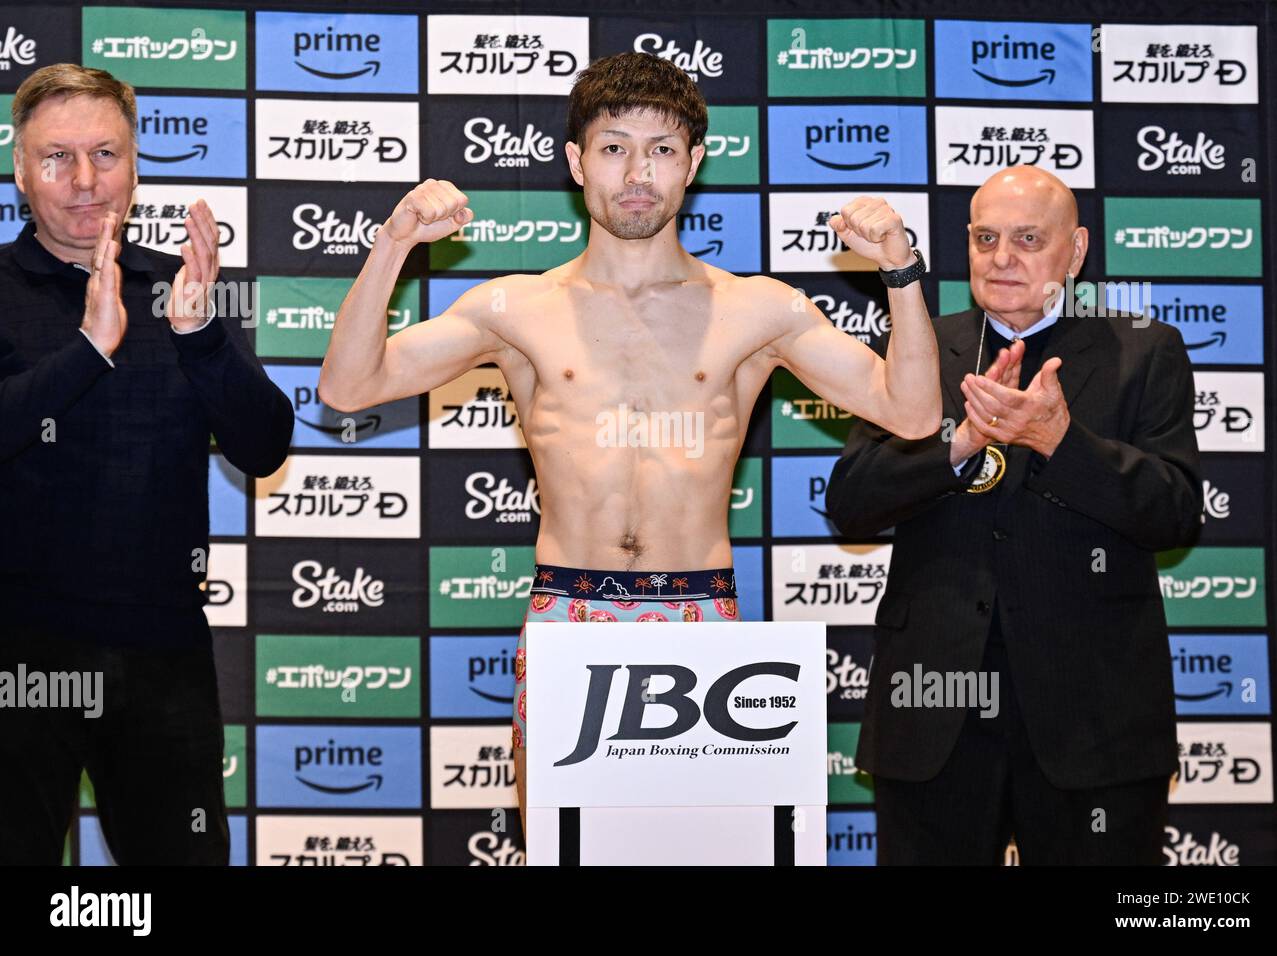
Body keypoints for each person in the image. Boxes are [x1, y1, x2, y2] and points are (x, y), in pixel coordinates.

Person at [318, 51, 942, 828]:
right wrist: (394, 245)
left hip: (700, 618)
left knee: (705, 851)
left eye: (662, 150)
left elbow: (913, 415)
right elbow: (348, 387)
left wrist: (902, 272)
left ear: (694, 164)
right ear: (578, 162)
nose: (637, 171)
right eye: (614, 147)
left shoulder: (759, 311)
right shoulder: (515, 307)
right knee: (568, 848)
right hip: (567, 613)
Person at [825, 165, 1202, 865]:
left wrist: (1061, 441)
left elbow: (1177, 513)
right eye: (986, 237)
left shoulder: (1144, 351)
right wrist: (959, 443)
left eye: (1029, 239)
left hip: (1095, 721)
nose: (1002, 258)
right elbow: (850, 504)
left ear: (1077, 250)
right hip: (934, 714)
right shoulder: (922, 345)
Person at [0, 64, 293, 864]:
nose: (86, 180)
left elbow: (264, 445)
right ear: (20, 170)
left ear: (135, 164)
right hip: (16, 659)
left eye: (107, 153)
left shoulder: (179, 287)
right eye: (57, 157)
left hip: (161, 653)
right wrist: (91, 350)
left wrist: (200, 337)